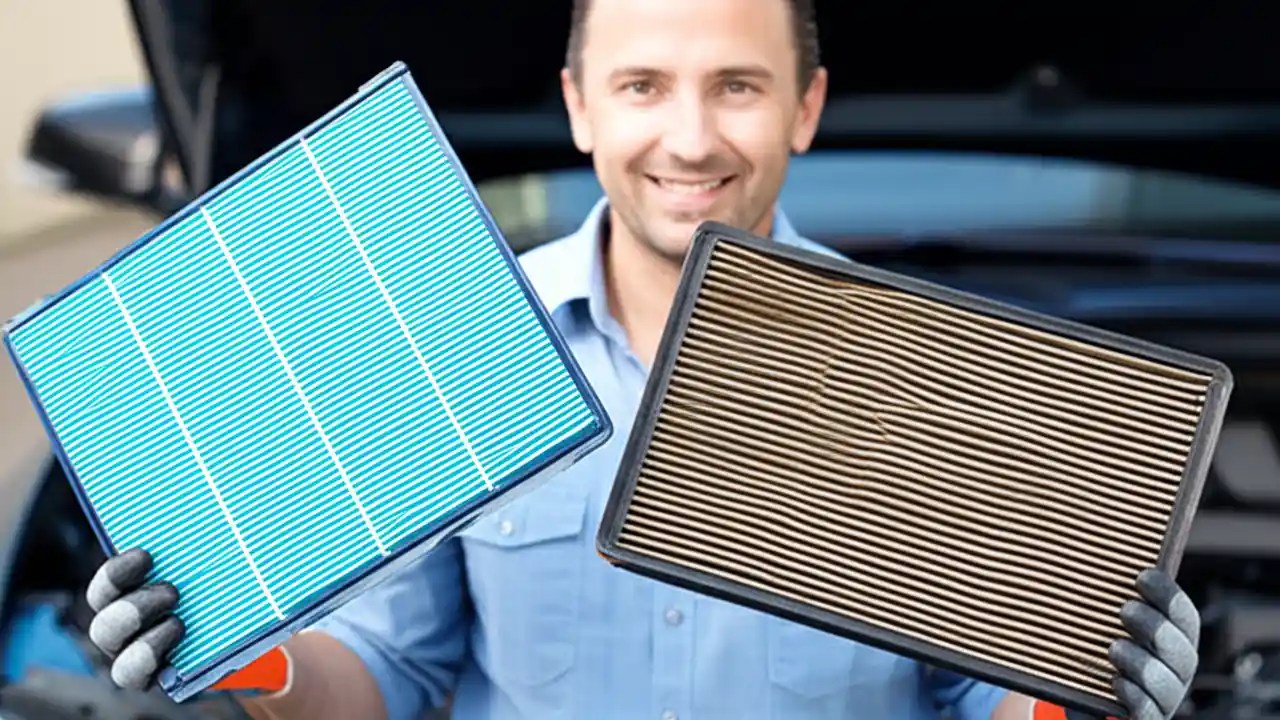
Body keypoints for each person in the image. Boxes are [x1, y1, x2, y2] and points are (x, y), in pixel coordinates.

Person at [83, 0, 1201, 718]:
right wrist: (241, 657)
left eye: (737, 85)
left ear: (803, 109)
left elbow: (979, 702)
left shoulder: (929, 377)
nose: (689, 137)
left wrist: (1084, 690)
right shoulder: (452, 339)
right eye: (641, 86)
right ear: (577, 107)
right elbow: (383, 672)